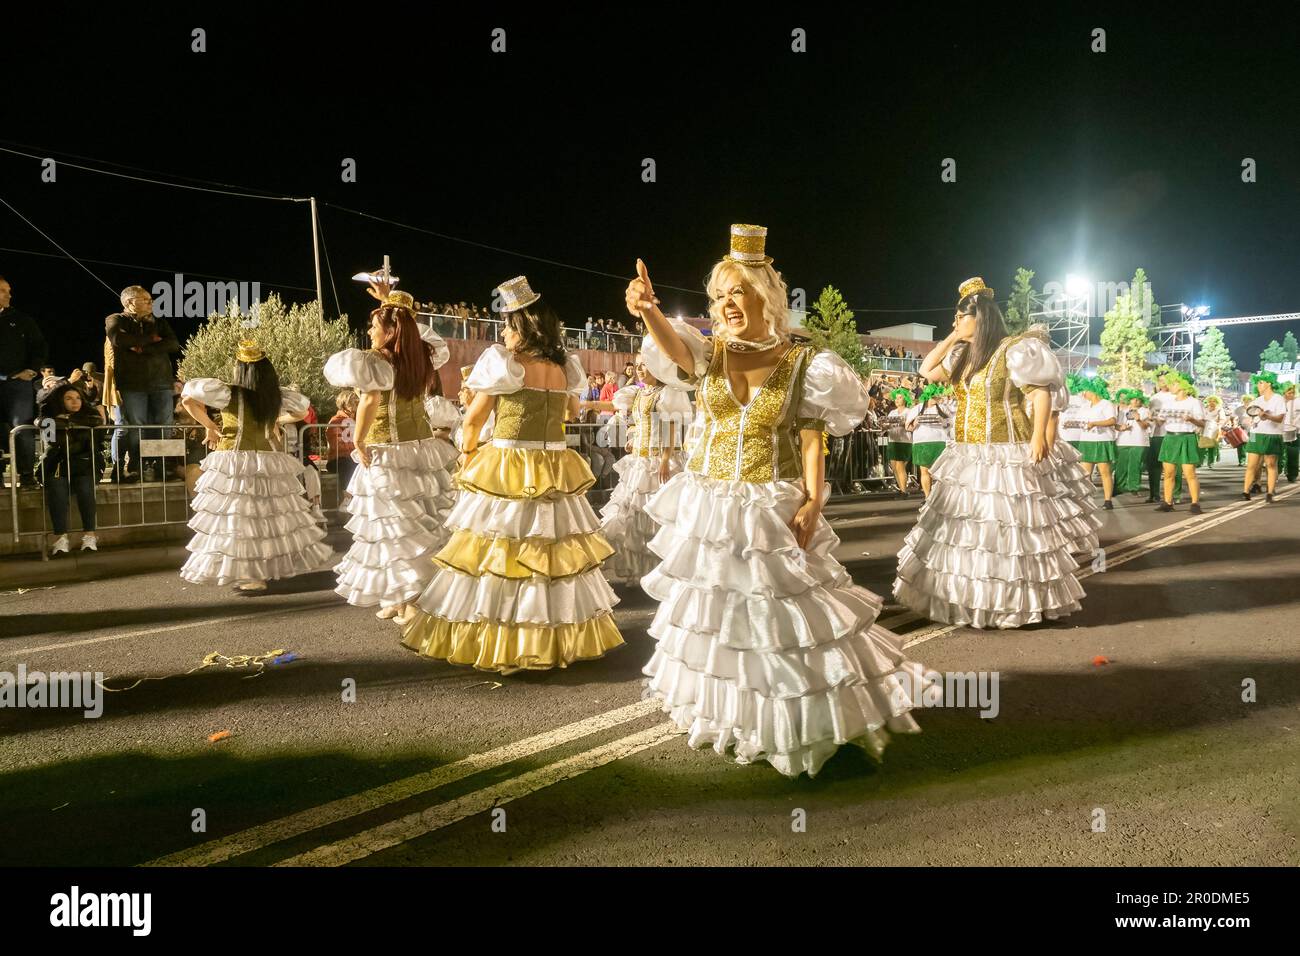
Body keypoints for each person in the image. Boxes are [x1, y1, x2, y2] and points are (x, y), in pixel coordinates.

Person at [627, 224, 929, 778]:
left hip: (772, 501)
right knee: (721, 616)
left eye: (736, 292)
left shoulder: (806, 364)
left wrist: (814, 501)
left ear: (765, 294)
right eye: (718, 296)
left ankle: (796, 720)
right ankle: (734, 717)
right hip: (712, 504)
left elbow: (813, 436)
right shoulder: (709, 352)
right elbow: (676, 349)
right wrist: (648, 311)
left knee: (780, 614)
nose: (725, 305)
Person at [400, 275, 624, 672]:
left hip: (508, 463)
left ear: (522, 326)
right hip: (554, 464)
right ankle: (549, 640)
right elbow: (571, 414)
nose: (503, 332)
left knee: (503, 553)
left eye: (507, 324)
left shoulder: (506, 364)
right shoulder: (563, 368)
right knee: (549, 554)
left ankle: (508, 643)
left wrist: (468, 455)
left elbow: (473, 421)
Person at [895, 277, 1100, 629]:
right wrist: (952, 338)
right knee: (969, 533)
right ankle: (976, 603)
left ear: (981, 317)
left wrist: (1039, 437)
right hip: (967, 455)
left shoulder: (1014, 350)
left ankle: (1017, 604)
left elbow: (1040, 393)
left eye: (961, 318)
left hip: (1007, 453)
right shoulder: (962, 355)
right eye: (956, 319)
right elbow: (926, 370)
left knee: (1008, 531)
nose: (956, 323)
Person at [326, 285, 457, 623]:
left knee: (394, 529)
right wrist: (391, 305)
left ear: (389, 330)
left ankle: (410, 601)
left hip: (387, 452)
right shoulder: (422, 356)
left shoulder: (377, 361)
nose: (369, 331)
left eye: (374, 325)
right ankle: (398, 595)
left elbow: (369, 402)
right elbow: (422, 335)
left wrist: (358, 439)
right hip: (419, 451)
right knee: (417, 525)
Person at [178, 341, 332, 590]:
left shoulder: (228, 392)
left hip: (235, 460)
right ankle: (262, 570)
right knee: (265, 517)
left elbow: (187, 399)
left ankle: (253, 576)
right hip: (267, 460)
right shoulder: (274, 397)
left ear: (240, 370)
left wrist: (210, 425)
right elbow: (302, 413)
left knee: (239, 519)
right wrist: (276, 421)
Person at [583, 358, 692, 586]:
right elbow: (619, 409)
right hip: (639, 460)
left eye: (645, 364)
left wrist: (664, 458)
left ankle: (659, 569)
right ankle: (637, 570)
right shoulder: (638, 393)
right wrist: (591, 406)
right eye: (639, 364)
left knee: (653, 514)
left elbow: (670, 425)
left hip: (658, 461)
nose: (640, 369)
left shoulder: (666, 394)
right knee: (632, 515)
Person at [105, 285, 180, 482]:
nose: (151, 302)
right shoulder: (115, 319)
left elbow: (172, 343)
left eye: (150, 299)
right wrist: (152, 340)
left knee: (164, 424)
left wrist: (140, 347)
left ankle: (161, 465)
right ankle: (136, 465)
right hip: (132, 383)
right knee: (136, 426)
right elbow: (118, 338)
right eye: (145, 299)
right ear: (130, 302)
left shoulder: (159, 321)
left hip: (161, 382)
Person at [35, 378, 104, 554]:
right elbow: (52, 442)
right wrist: (58, 423)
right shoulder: (49, 420)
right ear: (60, 400)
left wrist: (69, 424)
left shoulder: (90, 418)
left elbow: (96, 438)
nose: (75, 402)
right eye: (69, 398)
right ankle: (61, 539)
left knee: (86, 493)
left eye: (78, 398)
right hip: (58, 464)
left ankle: (90, 536)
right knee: (57, 494)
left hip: (83, 464)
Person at [0, 275, 47, 487]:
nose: (8, 294)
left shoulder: (22, 320)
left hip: (17, 384)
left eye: (9, 290)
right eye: (2, 290)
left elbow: (39, 347)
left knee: (22, 428)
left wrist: (31, 369)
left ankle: (27, 476)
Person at [1153, 372, 1205, 513]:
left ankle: (1195, 503)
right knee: (1168, 473)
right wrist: (1150, 418)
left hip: (1186, 437)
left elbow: (1202, 423)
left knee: (1190, 473)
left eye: (1174, 383)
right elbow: (1160, 422)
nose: (1170, 385)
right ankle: (1167, 502)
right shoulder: (1167, 402)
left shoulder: (1194, 402)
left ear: (1183, 385)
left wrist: (1191, 419)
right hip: (1170, 437)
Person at [1241, 371, 1286, 503]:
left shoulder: (1278, 399)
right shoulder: (1257, 400)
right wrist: (1247, 421)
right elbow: (1246, 417)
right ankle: (1245, 491)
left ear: (1269, 383)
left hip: (1273, 435)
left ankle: (1270, 492)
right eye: (1258, 383)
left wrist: (1267, 416)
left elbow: (1280, 418)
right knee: (1251, 465)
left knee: (1271, 464)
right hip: (1256, 434)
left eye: (1261, 382)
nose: (1258, 385)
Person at [1077, 377, 1118, 510]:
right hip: (1086, 441)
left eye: (1086, 391)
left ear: (1094, 391)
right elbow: (1080, 421)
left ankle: (1108, 500)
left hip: (1102, 441)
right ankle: (1087, 498)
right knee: (1085, 474)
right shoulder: (1084, 406)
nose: (1084, 393)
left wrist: (1095, 423)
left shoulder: (1106, 404)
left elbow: (1112, 421)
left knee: (1104, 472)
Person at [908, 382, 952, 497]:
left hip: (939, 442)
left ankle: (938, 497)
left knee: (939, 472)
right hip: (921, 442)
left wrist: (944, 422)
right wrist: (915, 422)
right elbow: (908, 427)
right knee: (924, 471)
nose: (936, 398)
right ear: (928, 396)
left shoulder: (943, 408)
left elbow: (951, 424)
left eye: (937, 396)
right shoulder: (917, 409)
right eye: (934, 396)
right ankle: (928, 497)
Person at [1113, 388, 1150, 495]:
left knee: (1135, 465)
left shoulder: (1145, 411)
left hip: (1139, 442)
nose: (1136, 401)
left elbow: (1145, 426)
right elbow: (1115, 425)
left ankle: (1133, 487)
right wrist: (1121, 427)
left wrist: (1138, 419)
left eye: (1138, 399)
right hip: (1122, 441)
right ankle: (1119, 487)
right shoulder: (1122, 411)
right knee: (1120, 466)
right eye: (1133, 399)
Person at [883, 387, 914, 497]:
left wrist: (903, 423)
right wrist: (884, 426)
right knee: (894, 467)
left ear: (905, 399)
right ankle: (901, 488)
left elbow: (911, 425)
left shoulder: (909, 411)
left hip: (904, 441)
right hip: (893, 440)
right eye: (896, 398)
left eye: (900, 398)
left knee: (900, 466)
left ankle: (904, 491)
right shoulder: (892, 412)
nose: (897, 400)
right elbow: (888, 425)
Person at [1198, 395, 1224, 468]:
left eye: (1214, 401)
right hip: (1204, 428)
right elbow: (1201, 418)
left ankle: (1211, 462)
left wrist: (1219, 426)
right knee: (1202, 445)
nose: (1211, 402)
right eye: (1210, 401)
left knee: (1212, 446)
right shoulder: (1205, 409)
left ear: (1217, 402)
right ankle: (1201, 461)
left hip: (1214, 428)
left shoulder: (1219, 409)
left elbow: (1222, 419)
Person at [1281, 383, 1299, 483]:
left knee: (1293, 453)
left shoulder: (1297, 401)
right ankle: (1279, 470)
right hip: (1279, 431)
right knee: (1278, 454)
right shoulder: (1279, 402)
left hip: (1295, 431)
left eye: (1293, 393)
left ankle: (1292, 474)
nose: (1291, 394)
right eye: (1289, 392)